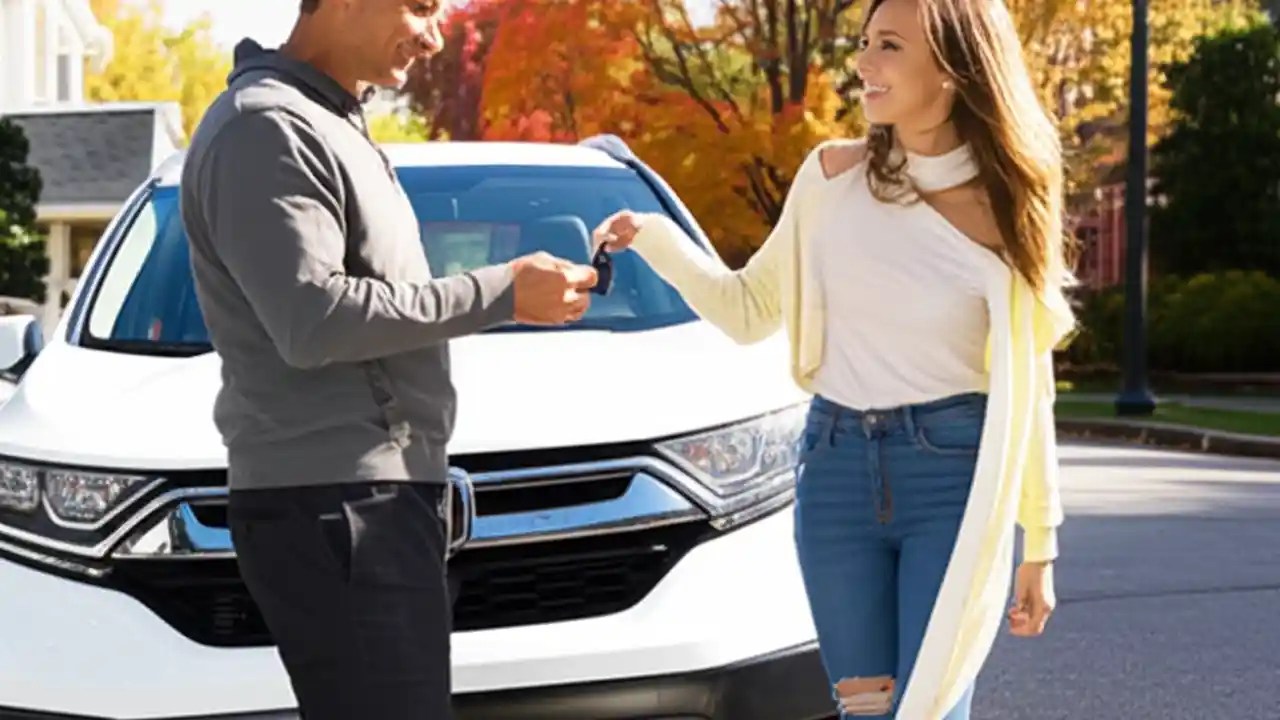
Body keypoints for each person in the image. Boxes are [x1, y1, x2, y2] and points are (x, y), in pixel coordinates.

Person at [592, 0, 1076, 717]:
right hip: (836, 468)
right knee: (866, 710)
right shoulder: (829, 180)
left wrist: (1041, 540)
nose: (862, 64)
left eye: (889, 47)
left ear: (950, 70)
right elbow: (747, 311)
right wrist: (655, 238)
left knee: (930, 707)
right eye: (864, 42)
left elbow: (1030, 382)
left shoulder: (1006, 202)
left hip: (953, 474)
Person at [180, 1, 597, 718]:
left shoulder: (326, 121)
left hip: (371, 500)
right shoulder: (266, 127)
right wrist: (501, 292)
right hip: (336, 506)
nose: (436, 35)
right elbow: (312, 322)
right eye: (422, 6)